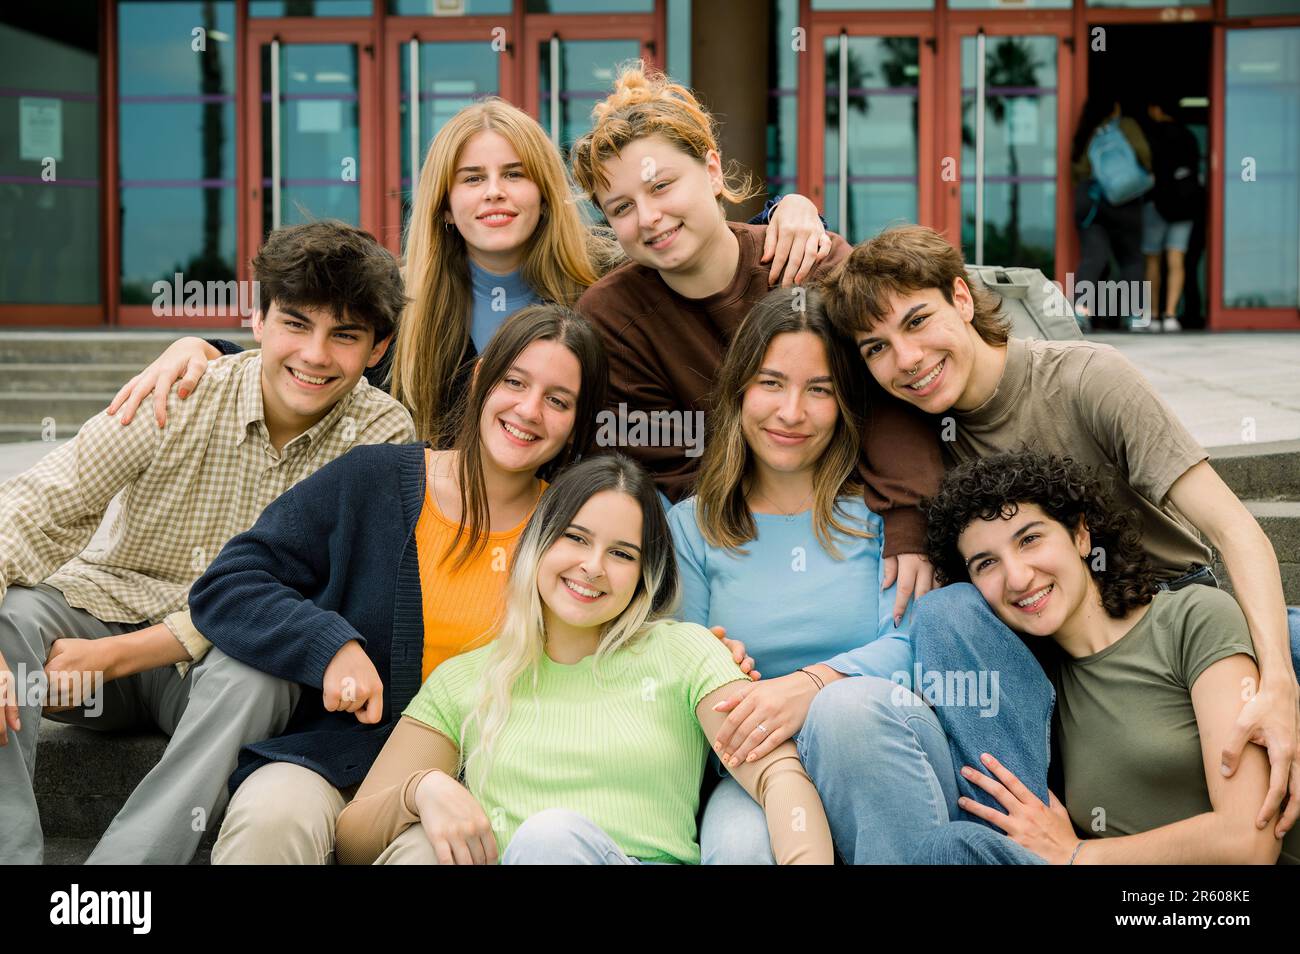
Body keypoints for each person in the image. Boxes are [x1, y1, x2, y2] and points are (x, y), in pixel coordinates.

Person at [820, 223, 1300, 849]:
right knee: (951, 613)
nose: (905, 359)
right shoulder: (916, 431)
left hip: (1170, 608)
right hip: (1047, 638)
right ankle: (1022, 842)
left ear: (963, 300)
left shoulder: (1087, 380)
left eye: (917, 322)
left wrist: (1277, 682)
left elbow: (1234, 530)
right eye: (875, 348)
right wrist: (788, 212)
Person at [0, 220, 416, 864]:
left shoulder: (381, 435)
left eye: (345, 336)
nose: (314, 354)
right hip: (87, 635)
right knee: (9, 618)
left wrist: (126, 656)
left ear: (379, 347)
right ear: (258, 319)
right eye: (296, 324)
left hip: (212, 666)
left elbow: (304, 594)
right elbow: (41, 502)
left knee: (266, 670)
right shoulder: (183, 390)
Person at [106, 98, 826, 445]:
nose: (494, 193)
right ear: (445, 203)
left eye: (514, 174)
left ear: (544, 191)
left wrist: (790, 209)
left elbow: (703, 252)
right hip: (446, 527)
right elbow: (320, 351)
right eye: (472, 178)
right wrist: (206, 349)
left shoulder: (608, 273)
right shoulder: (403, 295)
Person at [188, 304, 610, 864]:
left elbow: (626, 641)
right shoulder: (374, 479)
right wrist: (329, 645)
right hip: (332, 759)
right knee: (270, 815)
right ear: (482, 377)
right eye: (514, 382)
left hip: (468, 788)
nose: (529, 410)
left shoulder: (575, 536)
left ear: (578, 422)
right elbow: (229, 583)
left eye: (558, 400)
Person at [569, 63, 943, 620]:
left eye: (662, 185)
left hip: (862, 520)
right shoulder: (611, 316)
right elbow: (660, 467)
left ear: (712, 169)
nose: (649, 217)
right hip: (726, 544)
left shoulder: (811, 261)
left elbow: (889, 398)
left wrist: (908, 519)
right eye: (621, 207)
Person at [333, 454, 834, 865]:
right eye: (575, 538)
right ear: (537, 542)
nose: (592, 568)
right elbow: (353, 838)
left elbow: (779, 778)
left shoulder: (686, 652)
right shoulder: (466, 679)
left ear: (645, 574)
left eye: (622, 554)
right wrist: (423, 789)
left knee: (551, 837)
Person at [914, 451, 1296, 864]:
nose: (1018, 578)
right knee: (948, 848)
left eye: (1030, 539)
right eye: (987, 563)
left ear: (1081, 535)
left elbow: (1249, 842)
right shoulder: (1036, 687)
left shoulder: (1193, 620)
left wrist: (1078, 854)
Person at [667, 287, 918, 864]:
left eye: (819, 390)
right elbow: (686, 670)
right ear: (739, 391)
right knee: (736, 845)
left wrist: (808, 688)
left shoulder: (884, 514)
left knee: (845, 714)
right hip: (754, 766)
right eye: (771, 383)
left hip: (878, 747)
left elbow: (912, 647)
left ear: (845, 404)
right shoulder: (693, 527)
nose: (791, 413)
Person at [1069, 97, 1152, 330]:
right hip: (1126, 199)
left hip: (1093, 201)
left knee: (1094, 257)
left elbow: (1078, 171)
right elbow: (1144, 154)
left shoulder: (1085, 133)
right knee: (1131, 258)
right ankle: (1135, 316)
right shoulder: (1125, 126)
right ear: (1115, 108)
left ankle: (1080, 311)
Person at [1140, 92, 1202, 334]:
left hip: (1156, 205)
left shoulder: (1152, 136)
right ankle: (1171, 314)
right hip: (1184, 208)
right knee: (1177, 260)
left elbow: (1146, 172)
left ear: (1156, 109)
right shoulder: (1189, 136)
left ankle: (1153, 315)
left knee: (1152, 260)